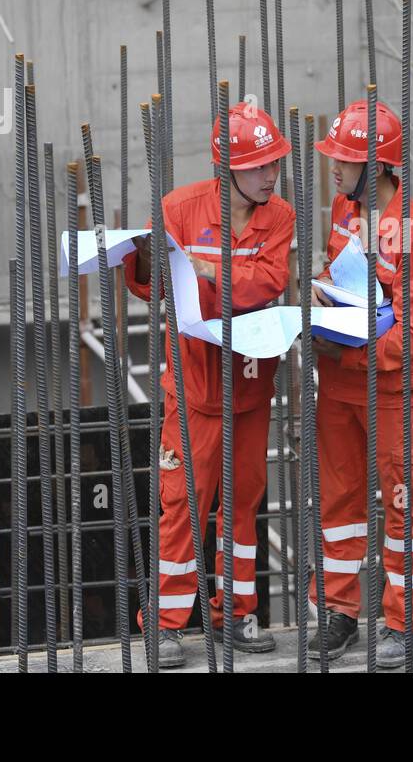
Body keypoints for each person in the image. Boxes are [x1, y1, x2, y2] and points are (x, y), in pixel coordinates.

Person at [123, 102, 293, 668]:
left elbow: (268, 282)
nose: (271, 174)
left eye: (275, 163)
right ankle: (167, 623)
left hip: (249, 382)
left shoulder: (280, 217)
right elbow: (149, 288)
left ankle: (236, 611)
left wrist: (209, 270)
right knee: (184, 501)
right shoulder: (179, 209)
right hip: (195, 383)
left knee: (244, 500)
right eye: (260, 165)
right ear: (228, 170)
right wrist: (147, 261)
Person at [307, 98, 413, 668]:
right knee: (340, 502)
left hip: (389, 394)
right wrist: (322, 300)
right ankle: (339, 611)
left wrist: (350, 349)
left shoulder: (411, 228)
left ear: (376, 166)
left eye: (345, 158)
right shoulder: (342, 208)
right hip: (337, 388)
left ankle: (404, 622)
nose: (333, 166)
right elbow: (340, 276)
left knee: (403, 505)